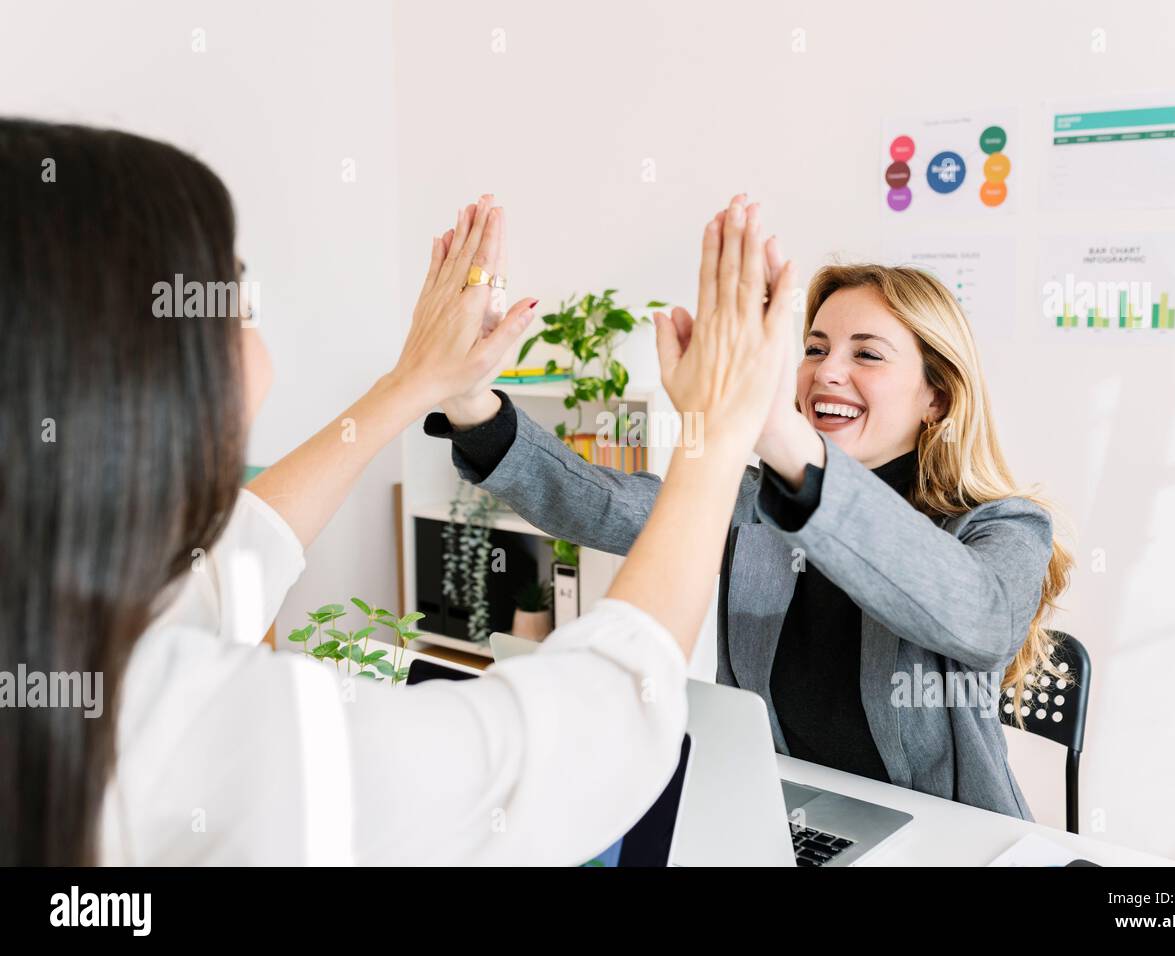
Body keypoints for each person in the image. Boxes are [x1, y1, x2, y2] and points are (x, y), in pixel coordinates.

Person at [0, 119, 793, 864]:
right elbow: (582, 739)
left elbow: (227, 568)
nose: (260, 350)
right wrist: (715, 437)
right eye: (233, 305)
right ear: (125, 377)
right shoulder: (230, 737)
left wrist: (412, 385)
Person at [426, 197, 1074, 821]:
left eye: (866, 354)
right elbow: (606, 506)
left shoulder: (1004, 525)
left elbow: (979, 616)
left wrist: (770, 428)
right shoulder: (756, 499)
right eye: (815, 348)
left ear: (937, 397)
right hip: (777, 816)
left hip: (956, 845)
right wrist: (471, 402)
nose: (826, 372)